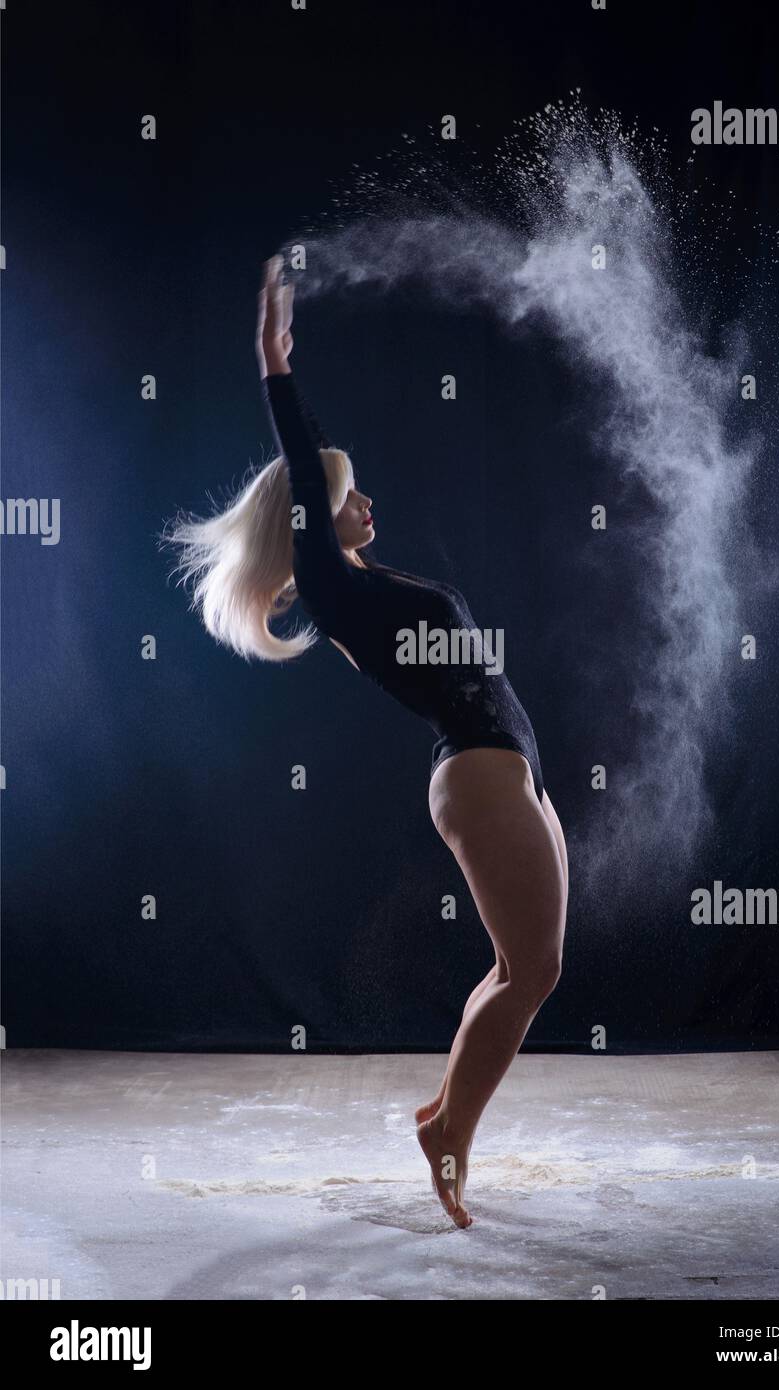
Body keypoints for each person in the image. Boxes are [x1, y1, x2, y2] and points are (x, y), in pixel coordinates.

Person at [168, 256, 568, 1227]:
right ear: (312, 517)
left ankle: (445, 1112)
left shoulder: (362, 580)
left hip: (505, 764)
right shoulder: (336, 584)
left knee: (530, 968)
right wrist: (274, 360)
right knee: (529, 971)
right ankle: (449, 1139)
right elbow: (303, 469)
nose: (366, 505)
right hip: (475, 769)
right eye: (351, 498)